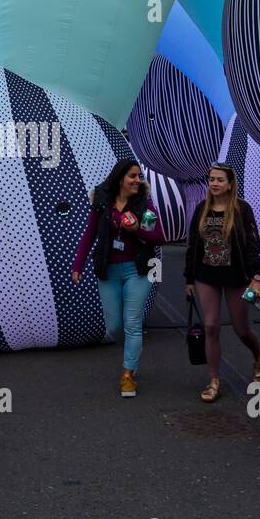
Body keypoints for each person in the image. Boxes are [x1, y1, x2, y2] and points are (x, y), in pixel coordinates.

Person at [71, 159, 166, 397]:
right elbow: (89, 234)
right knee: (114, 326)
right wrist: (78, 265)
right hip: (108, 270)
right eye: (132, 176)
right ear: (120, 178)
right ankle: (132, 353)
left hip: (138, 270)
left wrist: (138, 230)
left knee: (132, 322)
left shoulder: (145, 205)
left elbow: (157, 237)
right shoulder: (102, 203)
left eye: (139, 176)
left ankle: (128, 374)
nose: (137, 180)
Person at [184, 163, 260, 401]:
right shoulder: (202, 209)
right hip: (206, 276)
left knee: (241, 329)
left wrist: (256, 278)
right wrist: (189, 278)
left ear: (230, 183)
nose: (215, 184)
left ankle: (258, 355)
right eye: (211, 179)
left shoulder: (242, 209)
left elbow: (252, 245)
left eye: (220, 179)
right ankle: (214, 380)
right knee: (210, 326)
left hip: (235, 277)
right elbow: (193, 246)